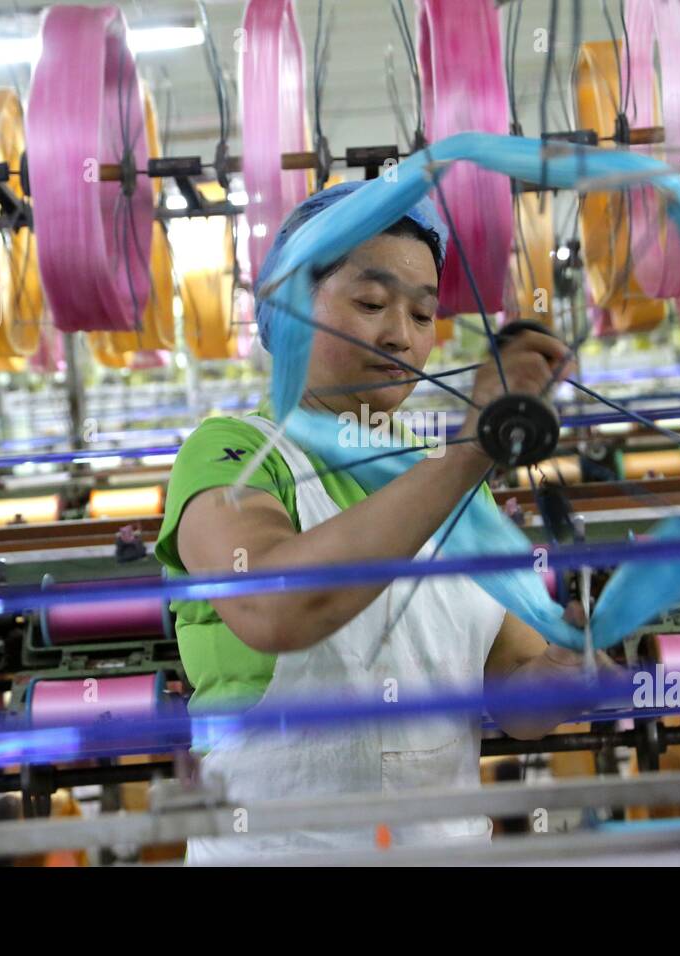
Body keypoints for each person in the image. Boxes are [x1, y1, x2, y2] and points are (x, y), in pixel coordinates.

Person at [155, 180, 607, 863]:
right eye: (370, 303)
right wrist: (470, 451)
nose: (400, 334)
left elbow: (518, 705)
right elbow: (278, 608)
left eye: (424, 316)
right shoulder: (233, 455)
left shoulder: (452, 484)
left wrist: (571, 658)